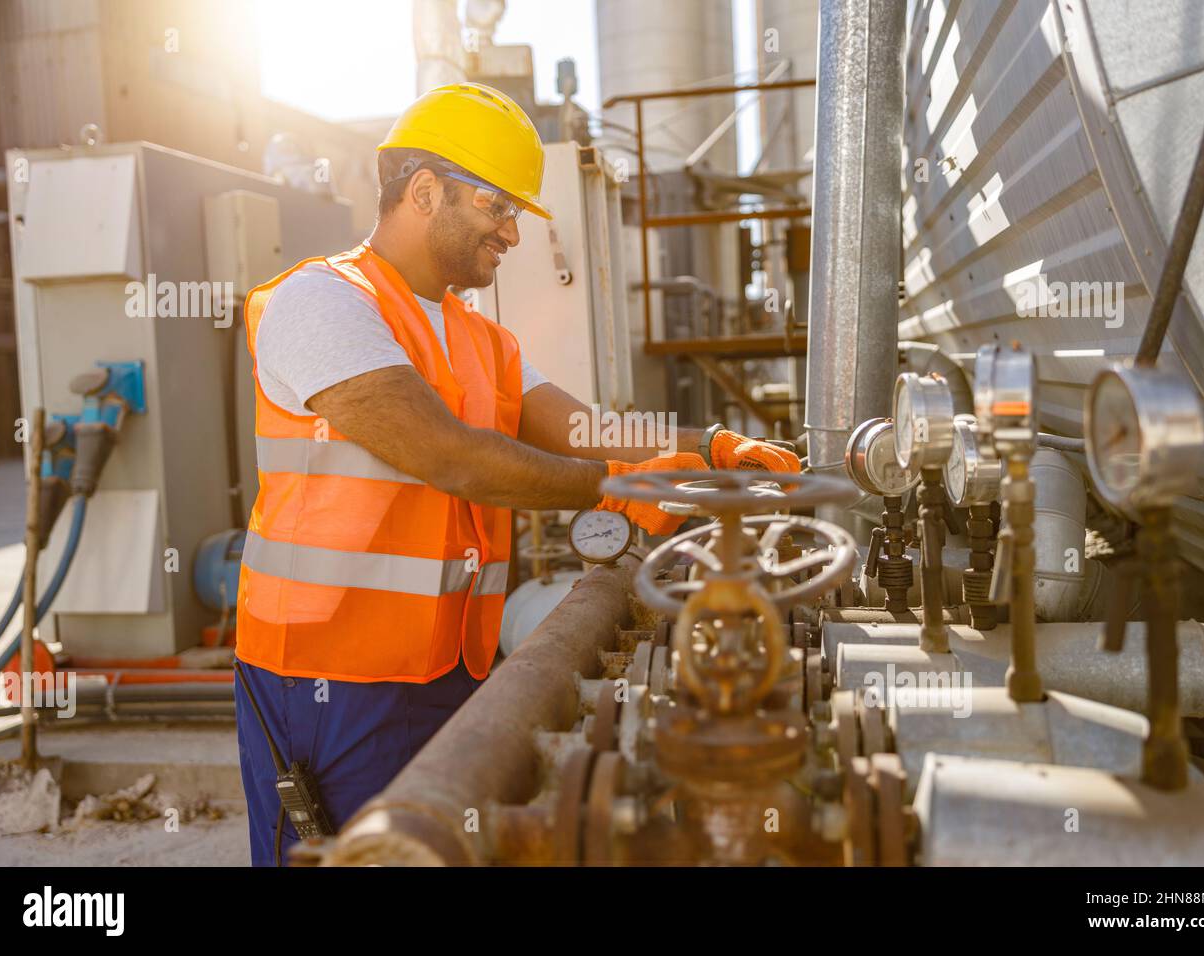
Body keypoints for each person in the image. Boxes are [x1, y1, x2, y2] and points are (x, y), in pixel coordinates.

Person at [233, 82, 800, 865]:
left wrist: (711, 446)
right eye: (497, 206)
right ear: (424, 191)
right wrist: (619, 488)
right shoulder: (321, 302)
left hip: (451, 667)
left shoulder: (478, 337)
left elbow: (587, 430)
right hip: (326, 677)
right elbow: (447, 455)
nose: (512, 232)